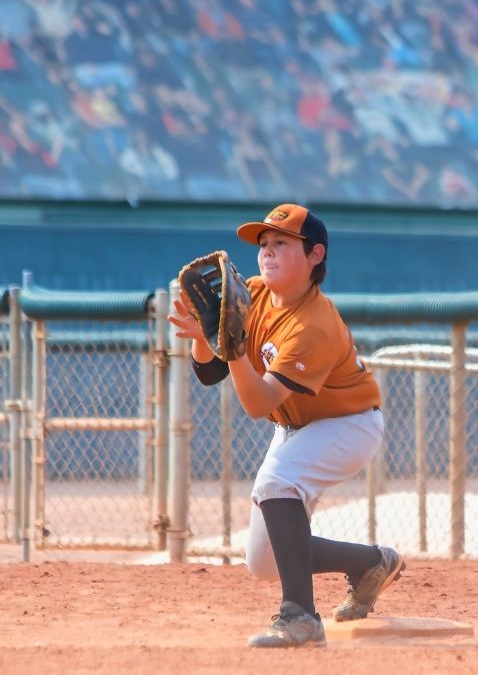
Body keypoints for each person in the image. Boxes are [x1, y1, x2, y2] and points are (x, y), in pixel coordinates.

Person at [168, 204, 404, 648]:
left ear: (315, 256)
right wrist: (206, 341)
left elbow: (258, 403)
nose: (267, 254)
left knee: (278, 481)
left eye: (282, 244)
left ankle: (300, 617)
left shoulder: (313, 325)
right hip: (296, 427)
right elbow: (210, 373)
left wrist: (233, 349)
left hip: (348, 424)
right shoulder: (253, 294)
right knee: (263, 561)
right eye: (264, 244)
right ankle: (370, 563)